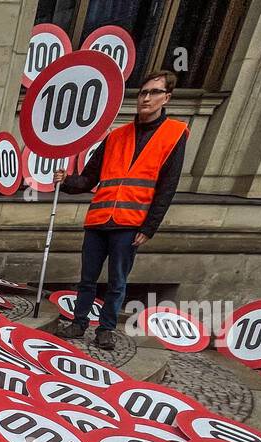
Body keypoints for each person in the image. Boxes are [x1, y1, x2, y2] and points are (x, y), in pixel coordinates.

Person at [53, 68, 188, 349]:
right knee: (87, 278)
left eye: (154, 93)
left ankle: (106, 328)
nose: (146, 98)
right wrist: (66, 182)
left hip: (130, 222)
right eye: (142, 92)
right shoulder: (116, 135)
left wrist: (149, 227)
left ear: (167, 98)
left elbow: (167, 187)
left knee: (117, 281)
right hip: (100, 218)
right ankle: (78, 323)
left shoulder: (174, 134)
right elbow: (90, 177)